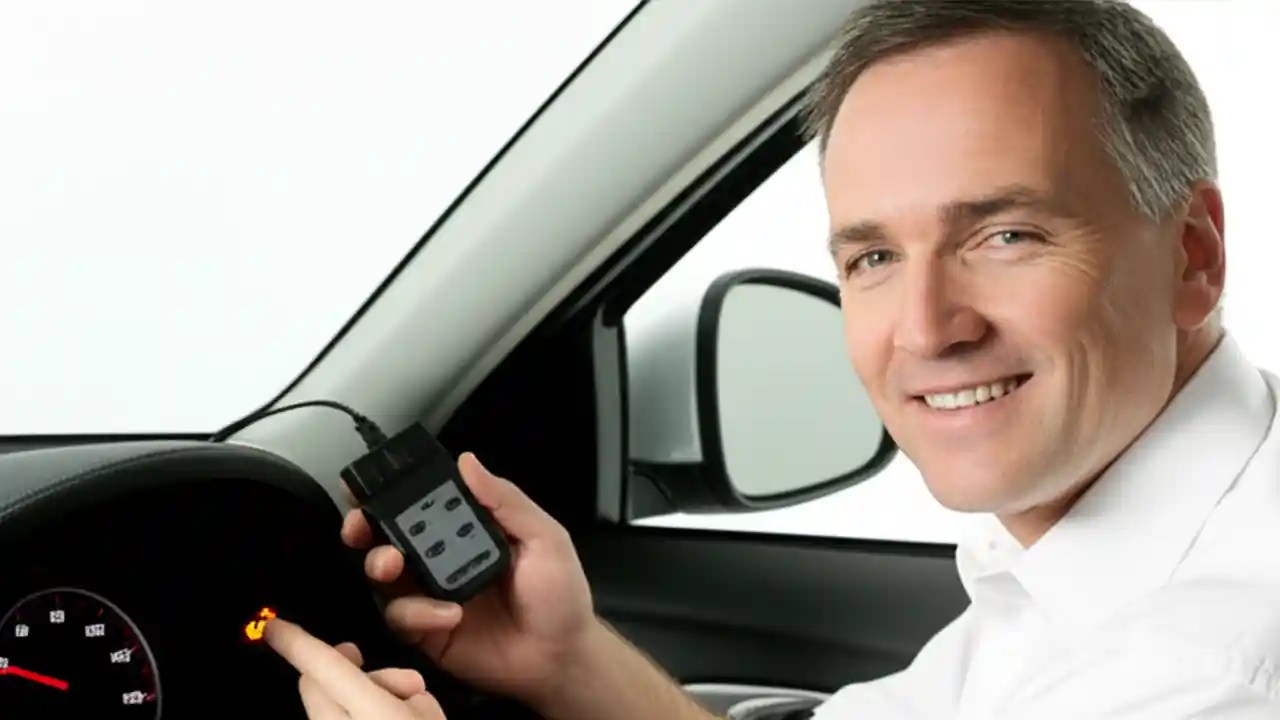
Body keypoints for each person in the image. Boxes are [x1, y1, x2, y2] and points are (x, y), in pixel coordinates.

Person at [265, 0, 1280, 717]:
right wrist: (567, 660)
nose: (924, 328)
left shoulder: (1206, 668)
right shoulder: (1084, 570)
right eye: (874, 256)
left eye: (1002, 235)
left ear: (1190, 255)